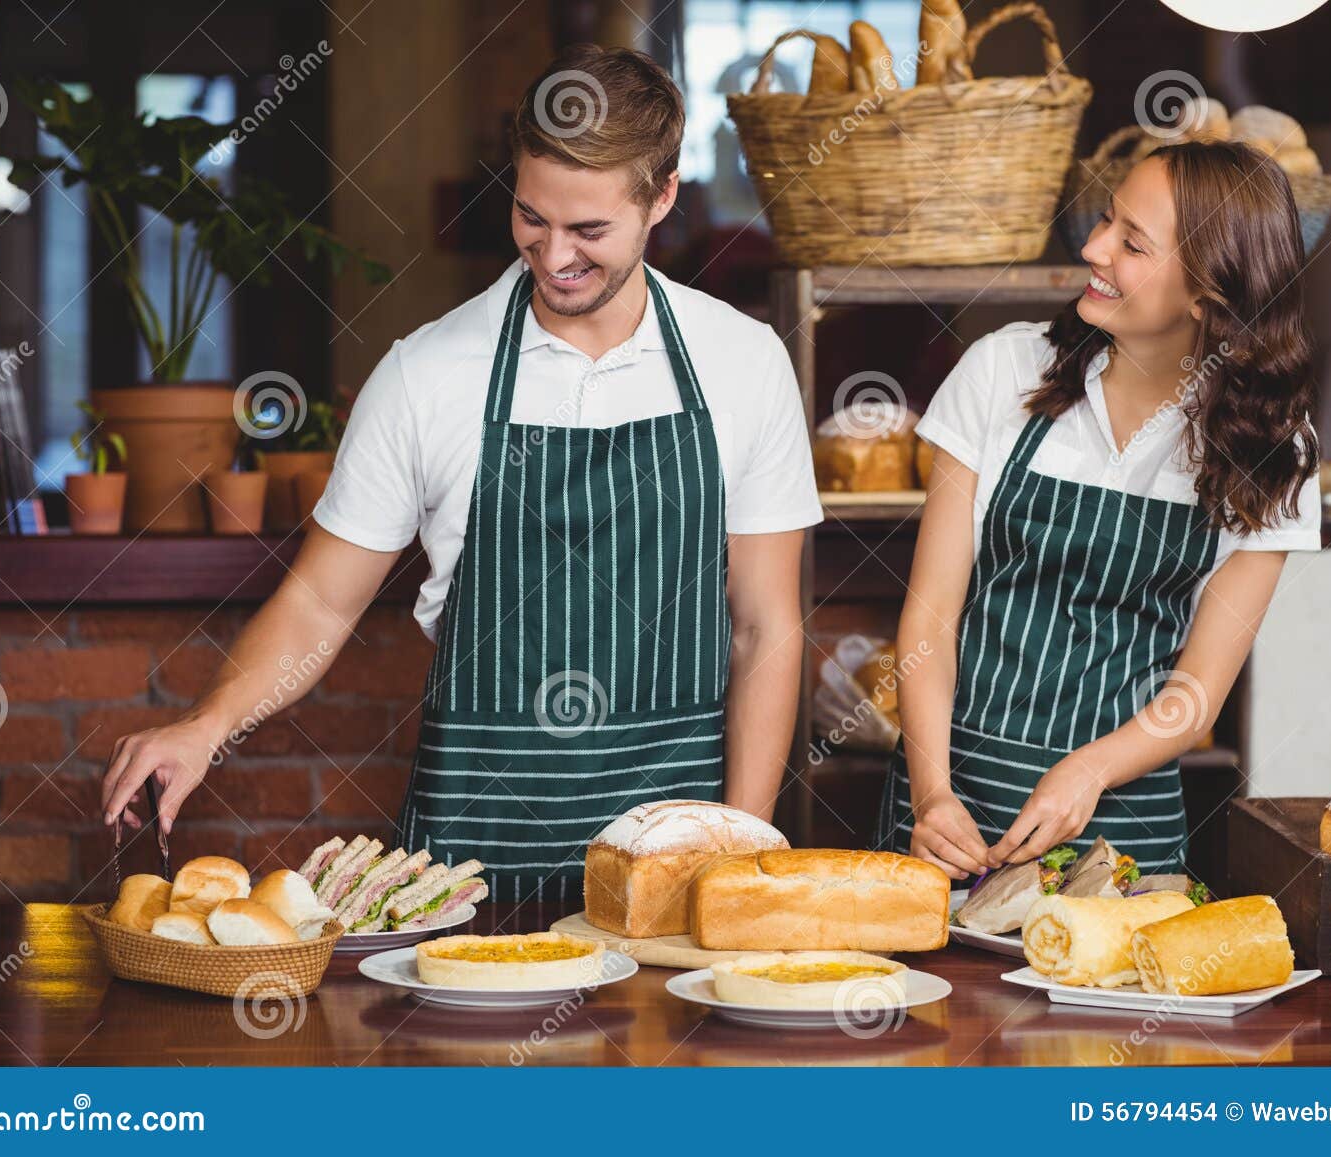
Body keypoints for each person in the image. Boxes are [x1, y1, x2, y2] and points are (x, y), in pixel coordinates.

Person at [101, 46, 821, 901]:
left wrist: (736, 856)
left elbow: (765, 630)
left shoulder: (743, 361)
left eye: (589, 231)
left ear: (663, 197)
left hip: (680, 868)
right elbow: (319, 603)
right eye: (531, 218)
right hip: (474, 870)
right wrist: (205, 723)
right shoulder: (427, 373)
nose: (553, 257)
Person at [875, 139, 1321, 880]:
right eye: (1105, 221)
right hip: (946, 813)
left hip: (1126, 835)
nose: (1093, 247)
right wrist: (931, 794)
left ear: (1208, 296)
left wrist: (1090, 769)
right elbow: (929, 619)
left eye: (1131, 242)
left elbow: (1199, 693)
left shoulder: (1276, 446)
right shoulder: (1003, 370)